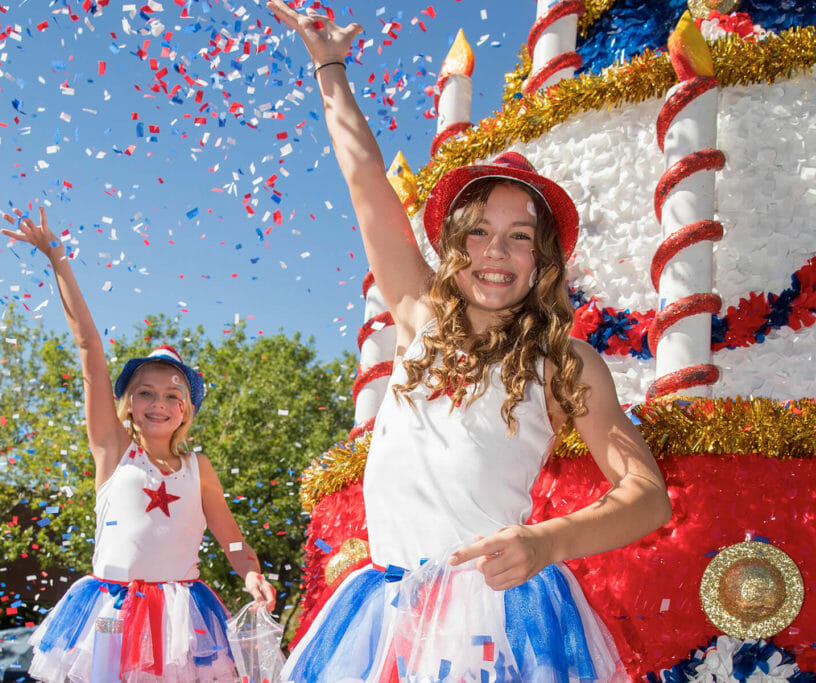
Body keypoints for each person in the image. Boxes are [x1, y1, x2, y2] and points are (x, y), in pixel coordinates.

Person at [267, 2, 672, 680]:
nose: (496, 251)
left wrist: (547, 540)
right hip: (384, 607)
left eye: (520, 236)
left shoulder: (565, 362)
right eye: (479, 231)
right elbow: (367, 181)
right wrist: (330, 68)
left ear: (543, 259)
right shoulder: (417, 310)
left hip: (497, 613)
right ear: (452, 247)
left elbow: (646, 493)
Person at [1, 207, 276, 683]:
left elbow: (230, 537)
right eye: (145, 392)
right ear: (128, 403)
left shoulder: (198, 467)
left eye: (173, 395)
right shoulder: (112, 448)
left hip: (180, 619)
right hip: (110, 612)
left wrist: (250, 572)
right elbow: (89, 350)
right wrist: (56, 259)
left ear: (186, 410)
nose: (158, 403)